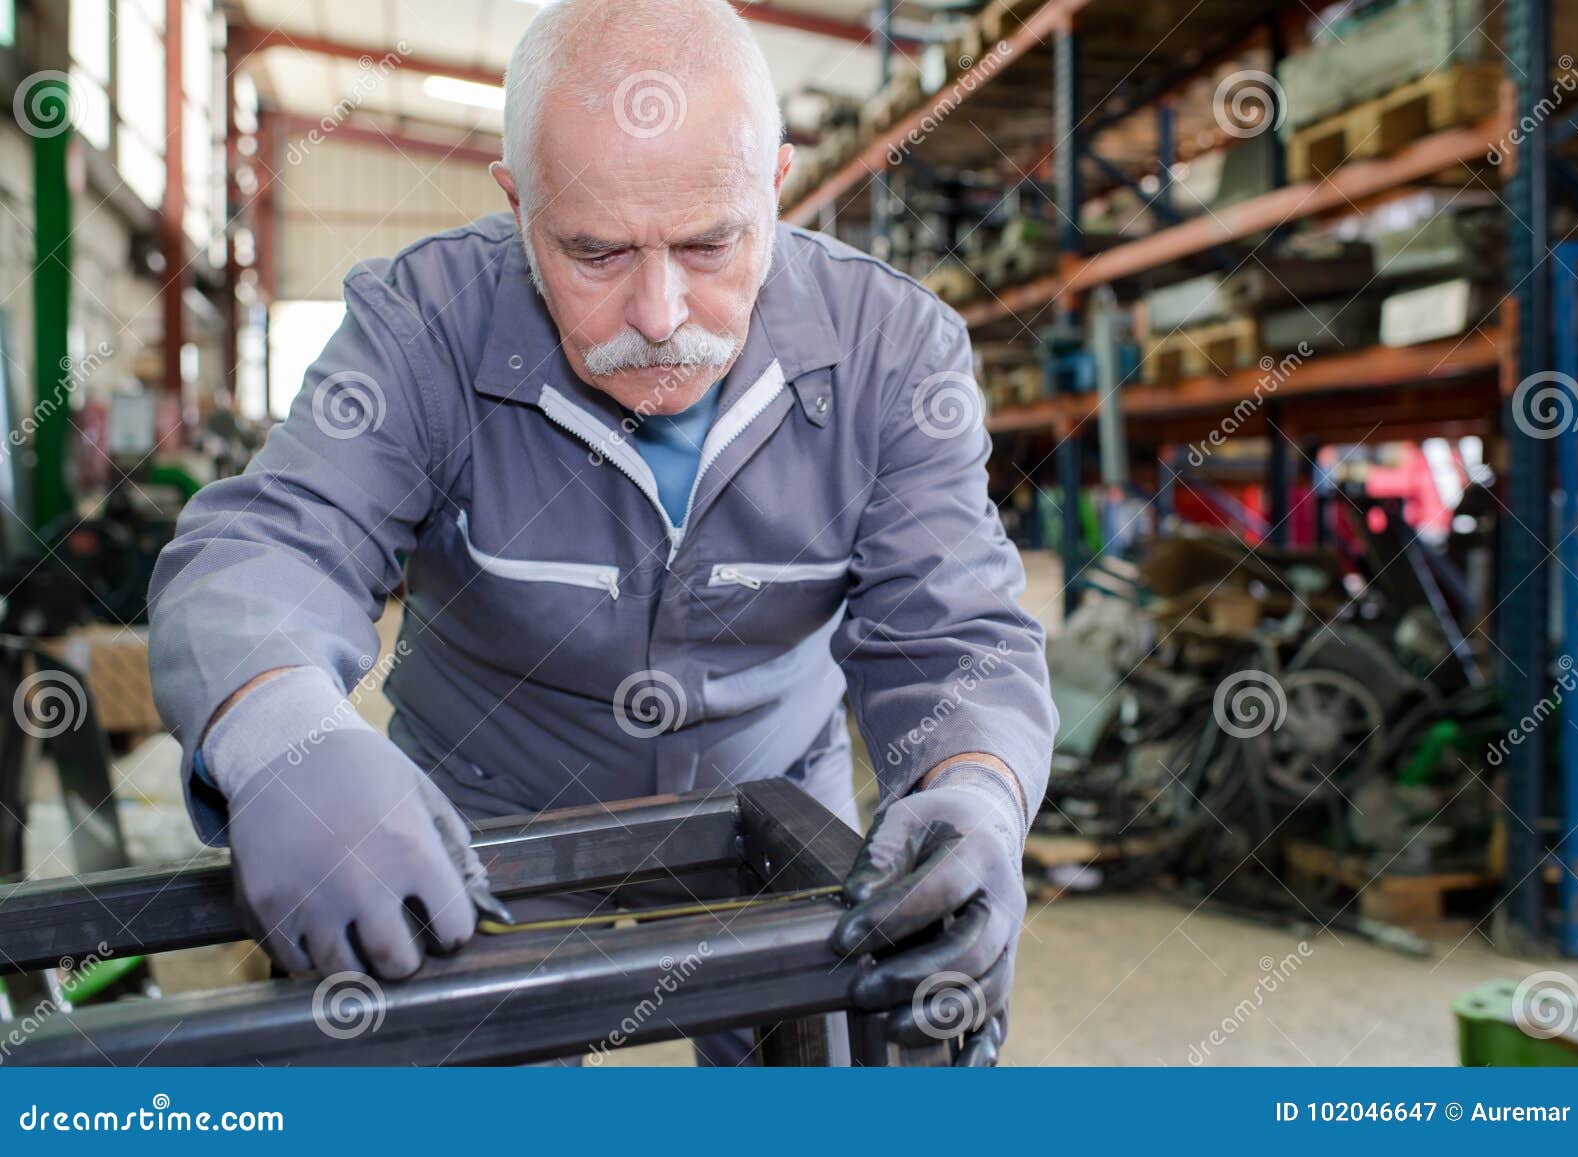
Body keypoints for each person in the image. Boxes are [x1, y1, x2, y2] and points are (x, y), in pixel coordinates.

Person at [148, 0, 1056, 1067]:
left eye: (711, 241)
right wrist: (283, 736)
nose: (662, 311)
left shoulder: (893, 350)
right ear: (516, 203)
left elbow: (951, 628)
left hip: (769, 795)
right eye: (595, 252)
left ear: (775, 186)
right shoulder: (425, 325)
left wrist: (975, 788)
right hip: (487, 813)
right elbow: (268, 548)